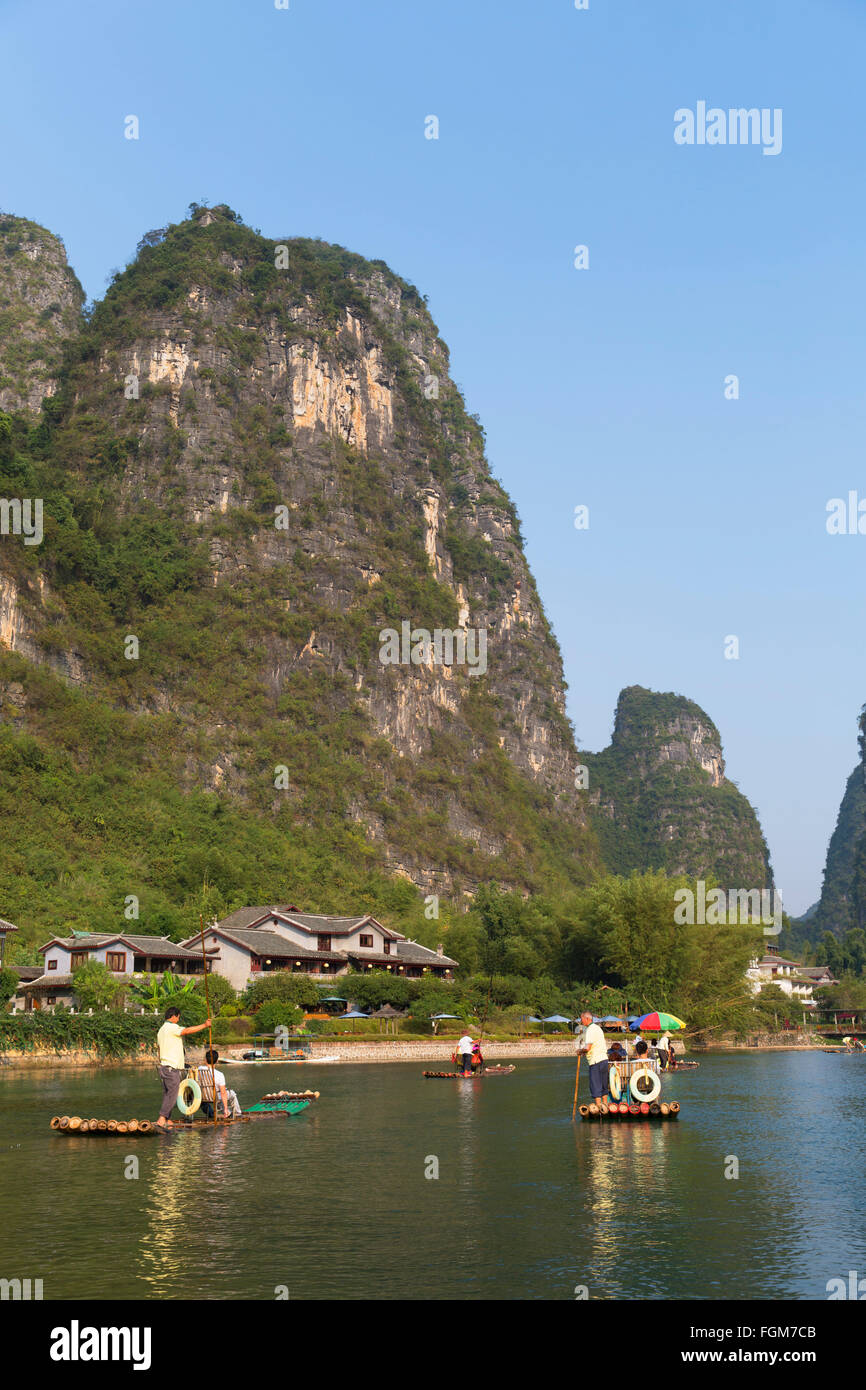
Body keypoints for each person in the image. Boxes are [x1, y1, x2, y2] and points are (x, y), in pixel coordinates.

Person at [156, 1004, 213, 1129]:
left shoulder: (161, 1030)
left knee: (168, 1093)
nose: (179, 1020)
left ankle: (166, 1118)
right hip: (171, 1067)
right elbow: (186, 1031)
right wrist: (204, 1025)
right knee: (173, 1092)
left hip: (164, 1066)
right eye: (178, 1017)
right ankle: (162, 1117)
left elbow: (160, 1049)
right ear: (174, 1016)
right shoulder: (172, 1027)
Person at [576, 1011, 609, 1107]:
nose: (581, 1021)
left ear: (587, 1019)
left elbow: (588, 1048)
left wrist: (580, 1051)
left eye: (582, 1019)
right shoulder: (598, 1028)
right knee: (603, 1084)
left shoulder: (590, 1030)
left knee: (596, 1084)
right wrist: (584, 1052)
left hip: (595, 1061)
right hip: (604, 1059)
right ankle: (605, 1104)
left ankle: (599, 1106)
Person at [198, 1048, 242, 1119]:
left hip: (203, 1095)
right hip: (215, 1096)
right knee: (232, 1093)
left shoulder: (199, 1069)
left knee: (219, 1094)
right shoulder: (219, 1074)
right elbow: (223, 1093)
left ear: (205, 1059)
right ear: (217, 1061)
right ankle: (237, 1113)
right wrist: (225, 1108)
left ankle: (225, 1112)